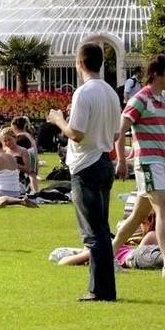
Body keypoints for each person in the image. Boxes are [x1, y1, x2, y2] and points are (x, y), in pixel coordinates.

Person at [46, 42, 122, 301]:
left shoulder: (83, 93)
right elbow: (115, 132)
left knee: (93, 233)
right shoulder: (111, 93)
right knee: (101, 227)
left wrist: (58, 119)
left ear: (79, 63)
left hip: (85, 164)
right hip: (103, 160)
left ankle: (100, 290)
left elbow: (76, 134)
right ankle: (105, 288)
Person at [111, 55, 165, 279]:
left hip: (160, 164)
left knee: (138, 217)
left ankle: (108, 257)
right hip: (147, 164)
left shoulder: (164, 103)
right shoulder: (140, 99)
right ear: (156, 74)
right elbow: (120, 131)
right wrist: (121, 160)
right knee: (164, 211)